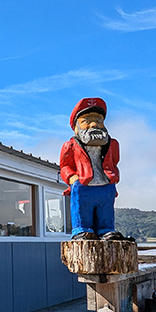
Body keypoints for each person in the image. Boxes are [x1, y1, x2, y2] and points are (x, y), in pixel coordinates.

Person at [59, 97, 125, 240]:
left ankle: (106, 230)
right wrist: (72, 178)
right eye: (87, 121)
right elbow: (65, 165)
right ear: (76, 127)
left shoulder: (112, 144)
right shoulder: (70, 146)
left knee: (106, 211)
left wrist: (113, 176)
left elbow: (114, 161)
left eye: (99, 120)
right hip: (83, 184)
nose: (94, 124)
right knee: (82, 210)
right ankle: (81, 230)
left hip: (106, 183)